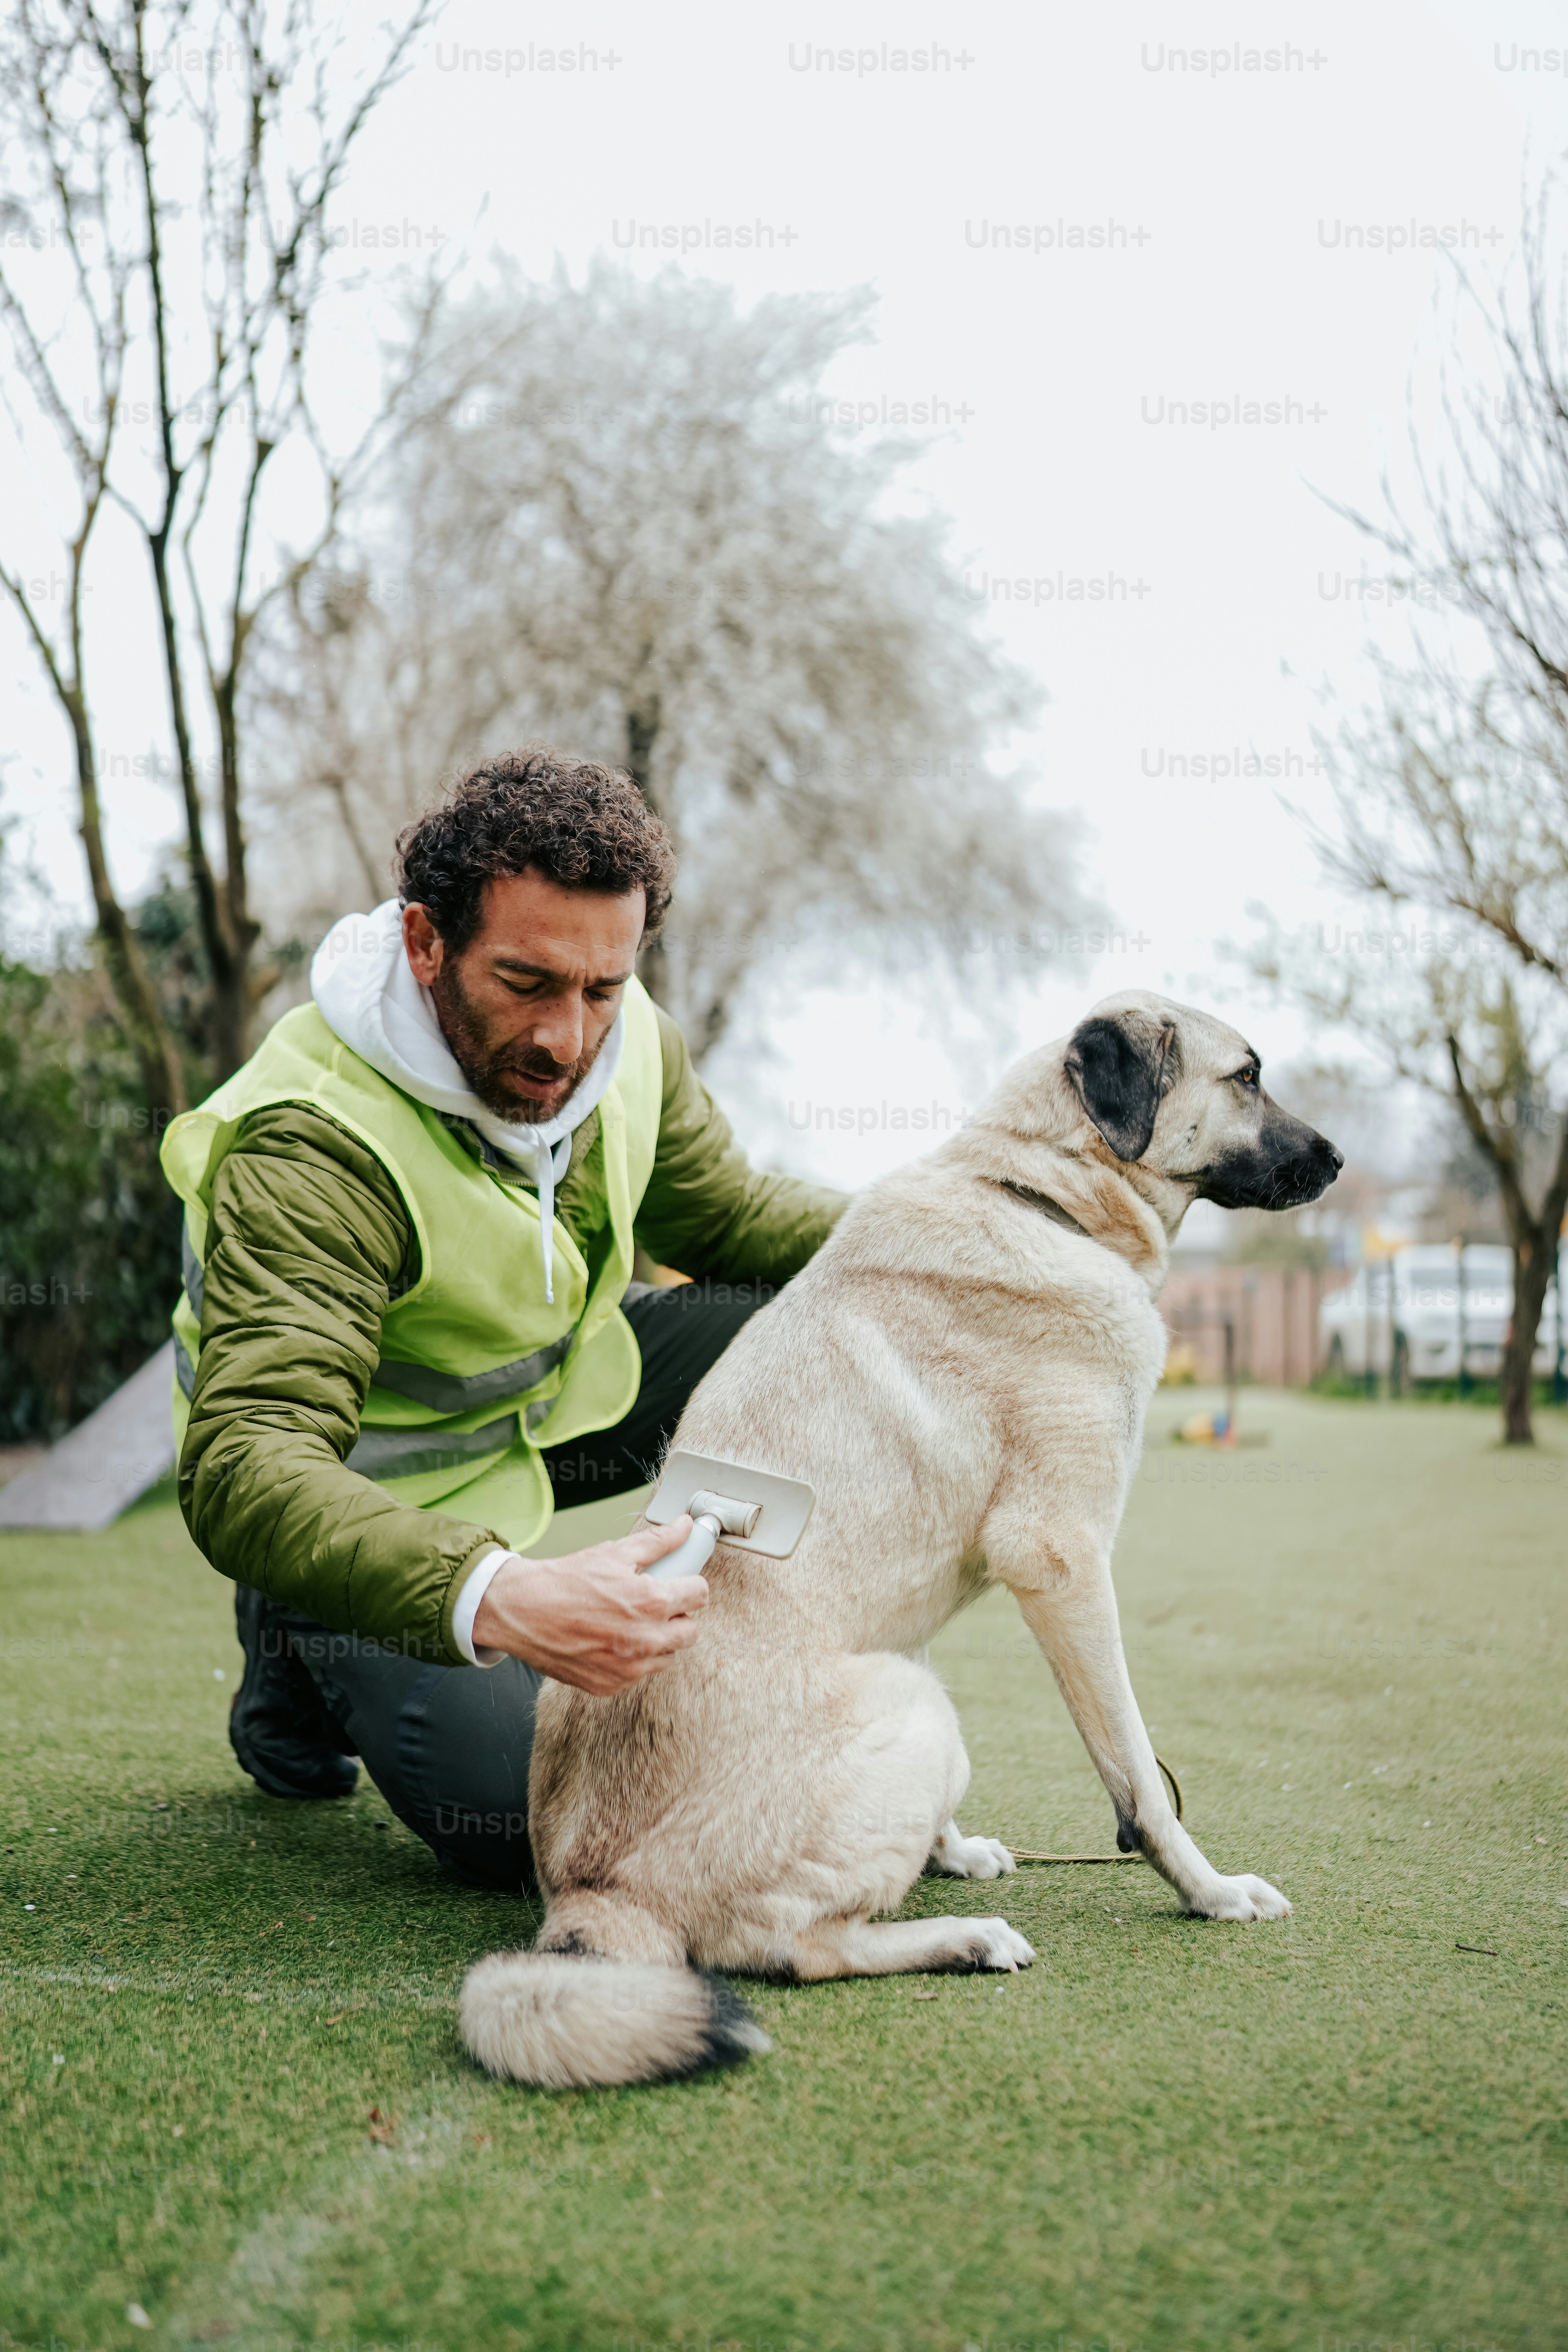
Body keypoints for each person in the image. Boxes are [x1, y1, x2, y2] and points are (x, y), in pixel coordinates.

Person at [161, 748, 845, 1888]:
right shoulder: (315, 1138)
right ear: (428, 943)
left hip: (543, 1415)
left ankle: (747, 1643)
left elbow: (730, 1219)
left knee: (816, 1314)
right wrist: (507, 1596)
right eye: (525, 984)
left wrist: (967, 1232)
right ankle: (294, 1640)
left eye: (602, 990)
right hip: (361, 1484)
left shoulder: (628, 1041)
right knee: (519, 1808)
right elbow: (249, 1457)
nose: (567, 1040)